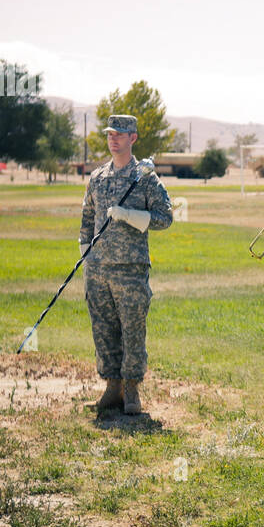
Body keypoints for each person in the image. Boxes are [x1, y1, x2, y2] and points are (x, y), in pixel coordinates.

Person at [80, 114, 174, 415]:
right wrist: (85, 255)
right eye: (110, 134)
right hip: (98, 269)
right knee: (103, 329)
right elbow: (87, 217)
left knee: (132, 330)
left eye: (120, 134)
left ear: (133, 138)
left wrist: (129, 215)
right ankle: (112, 387)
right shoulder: (98, 177)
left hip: (130, 269)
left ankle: (132, 390)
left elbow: (165, 217)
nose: (113, 139)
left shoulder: (145, 177)